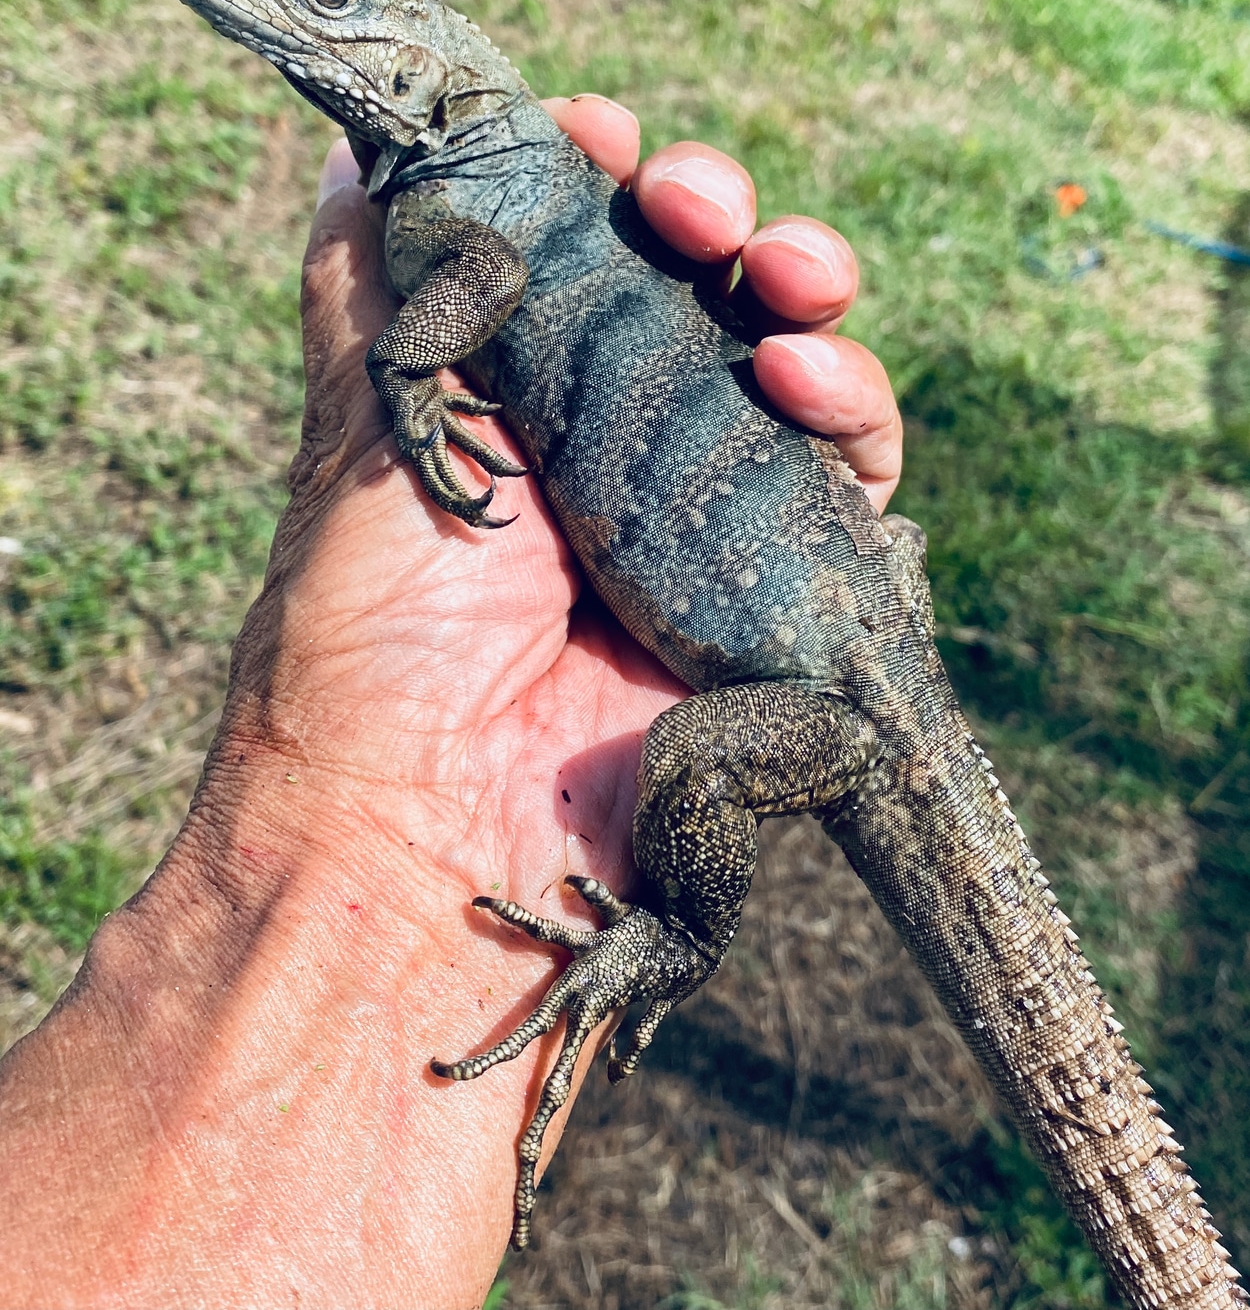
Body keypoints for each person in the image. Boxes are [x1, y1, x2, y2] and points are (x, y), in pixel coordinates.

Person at [0, 96, 903, 1309]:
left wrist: (405, 358)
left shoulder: (476, 201)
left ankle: (683, 935)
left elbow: (479, 281)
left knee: (700, 750)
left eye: (329, 1)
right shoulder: (453, 193)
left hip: (850, 696)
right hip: (782, 669)